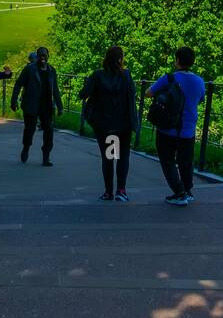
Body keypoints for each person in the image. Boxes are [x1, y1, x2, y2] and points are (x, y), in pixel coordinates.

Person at [148, 46, 207, 206]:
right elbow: (201, 99)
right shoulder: (199, 81)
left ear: (178, 60)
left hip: (167, 127)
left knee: (167, 161)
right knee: (185, 161)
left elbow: (150, 92)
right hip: (188, 129)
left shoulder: (169, 78)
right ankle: (187, 190)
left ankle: (179, 193)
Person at [79, 45, 137, 201]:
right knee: (123, 156)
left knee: (109, 157)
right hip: (123, 124)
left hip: (105, 125)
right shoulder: (126, 75)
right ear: (120, 59)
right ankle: (121, 190)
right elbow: (132, 96)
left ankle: (108, 191)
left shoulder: (98, 76)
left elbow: (82, 94)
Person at [11, 46, 63, 165]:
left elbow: (55, 90)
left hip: (47, 106)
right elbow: (18, 84)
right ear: (37, 57)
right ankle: (26, 147)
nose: (43, 58)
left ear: (48, 56)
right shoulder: (30, 69)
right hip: (31, 104)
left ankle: (46, 156)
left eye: (45, 55)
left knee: (49, 131)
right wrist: (14, 100)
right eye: (41, 56)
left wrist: (60, 106)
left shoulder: (51, 70)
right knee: (30, 129)